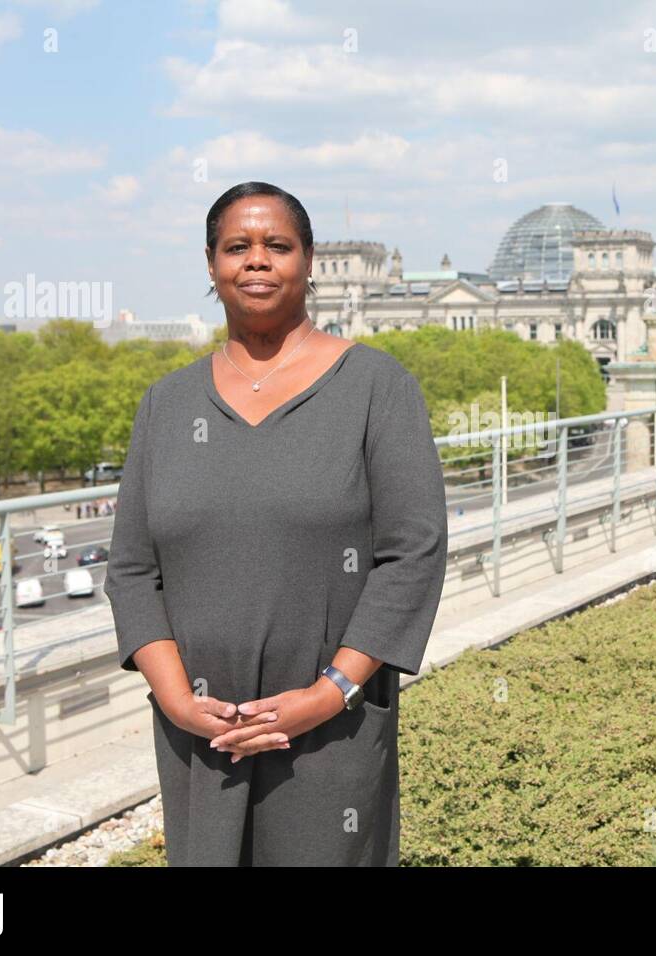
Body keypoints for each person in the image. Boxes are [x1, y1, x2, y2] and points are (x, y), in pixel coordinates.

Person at [104, 181, 448, 866]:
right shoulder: (165, 406)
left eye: (277, 246)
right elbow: (132, 569)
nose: (256, 261)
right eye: (237, 247)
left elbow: (413, 552)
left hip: (330, 732)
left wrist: (330, 693)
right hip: (203, 736)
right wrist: (177, 700)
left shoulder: (377, 387)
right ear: (211, 265)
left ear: (309, 259)